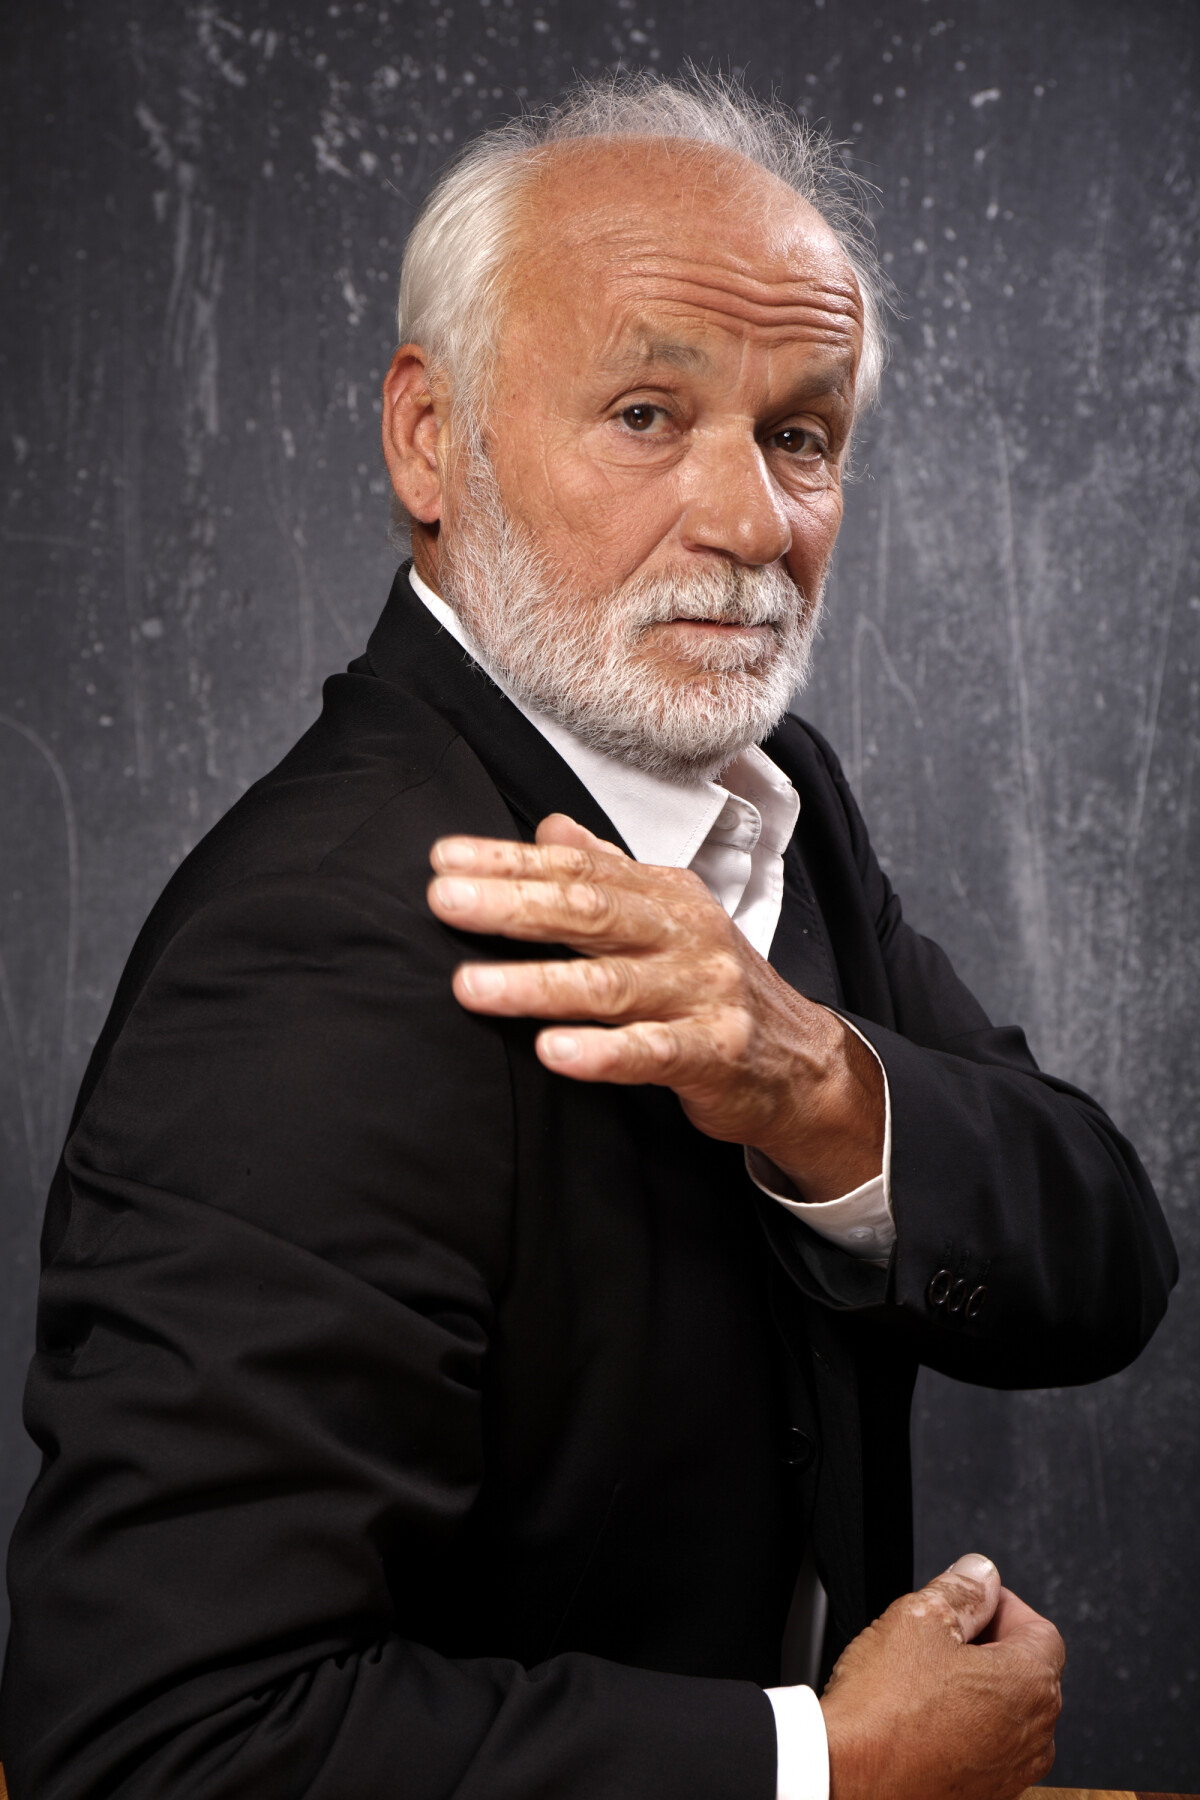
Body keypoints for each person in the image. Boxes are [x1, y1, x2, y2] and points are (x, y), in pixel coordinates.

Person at [0, 71, 1176, 1800]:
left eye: (801, 432)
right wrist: (822, 1769)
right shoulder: (317, 953)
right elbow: (156, 1744)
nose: (755, 523)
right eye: (645, 412)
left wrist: (814, 1088)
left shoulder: (768, 803)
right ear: (427, 439)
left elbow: (1105, 1268)